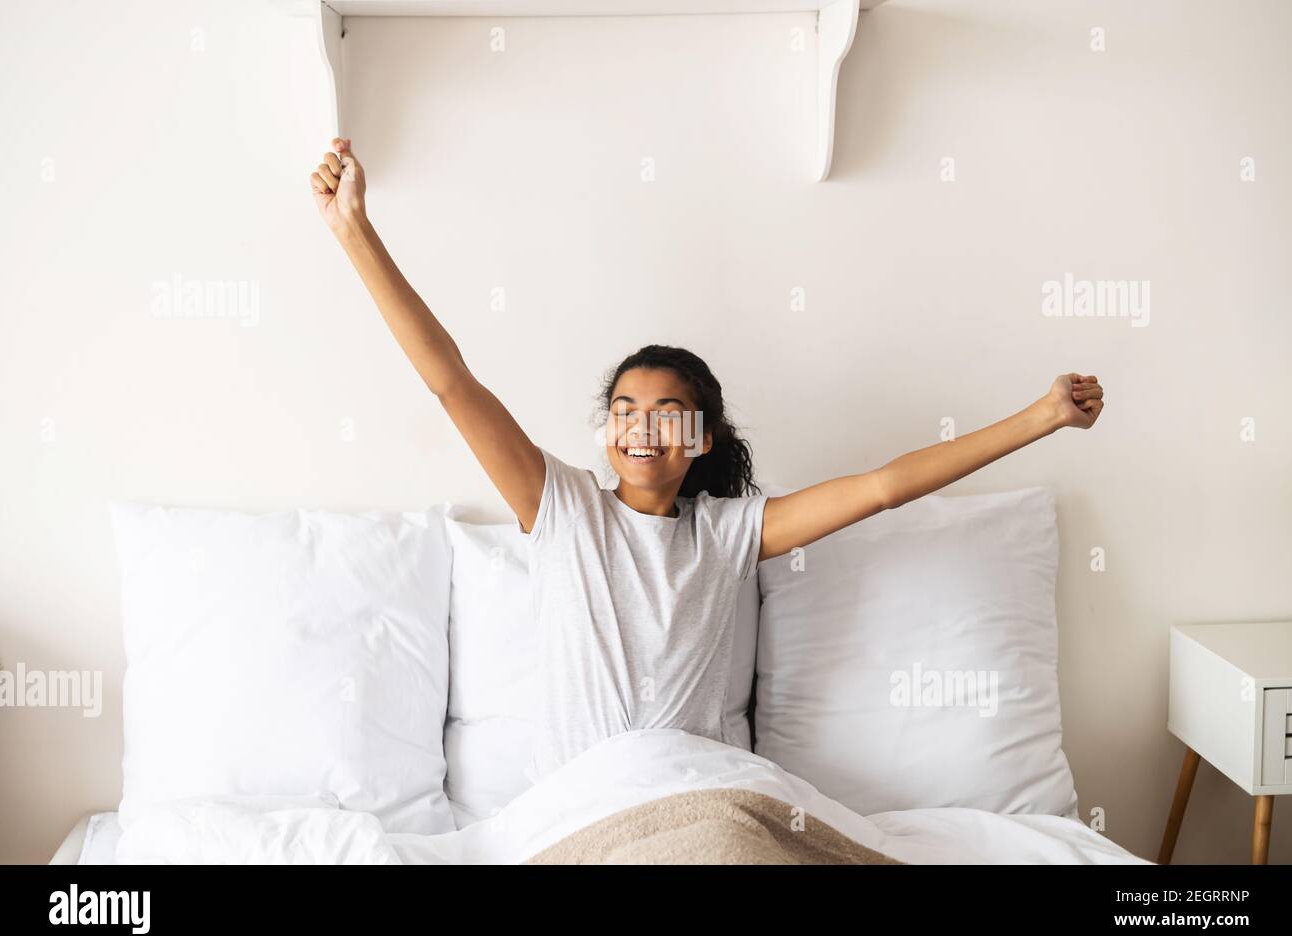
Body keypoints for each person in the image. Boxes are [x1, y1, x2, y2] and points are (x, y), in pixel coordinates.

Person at [309, 138, 1105, 781]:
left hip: (697, 797)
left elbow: (883, 488)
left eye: (665, 414)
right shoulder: (564, 509)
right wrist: (354, 232)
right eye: (624, 412)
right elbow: (451, 380)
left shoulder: (726, 534)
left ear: (705, 438)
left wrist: (1041, 417)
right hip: (584, 810)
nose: (640, 430)